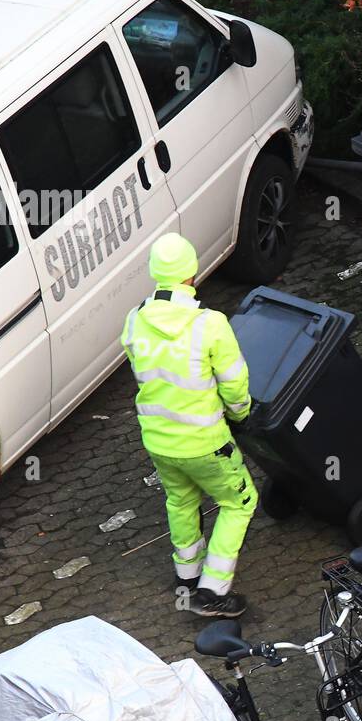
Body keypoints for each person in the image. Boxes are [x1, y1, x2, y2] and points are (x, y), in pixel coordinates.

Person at [121, 234, 258, 617]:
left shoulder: (135, 320)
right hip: (206, 442)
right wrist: (242, 414)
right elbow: (234, 384)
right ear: (191, 274)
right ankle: (212, 592)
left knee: (180, 500)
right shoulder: (209, 325)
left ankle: (187, 575)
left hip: (159, 440)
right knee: (239, 502)